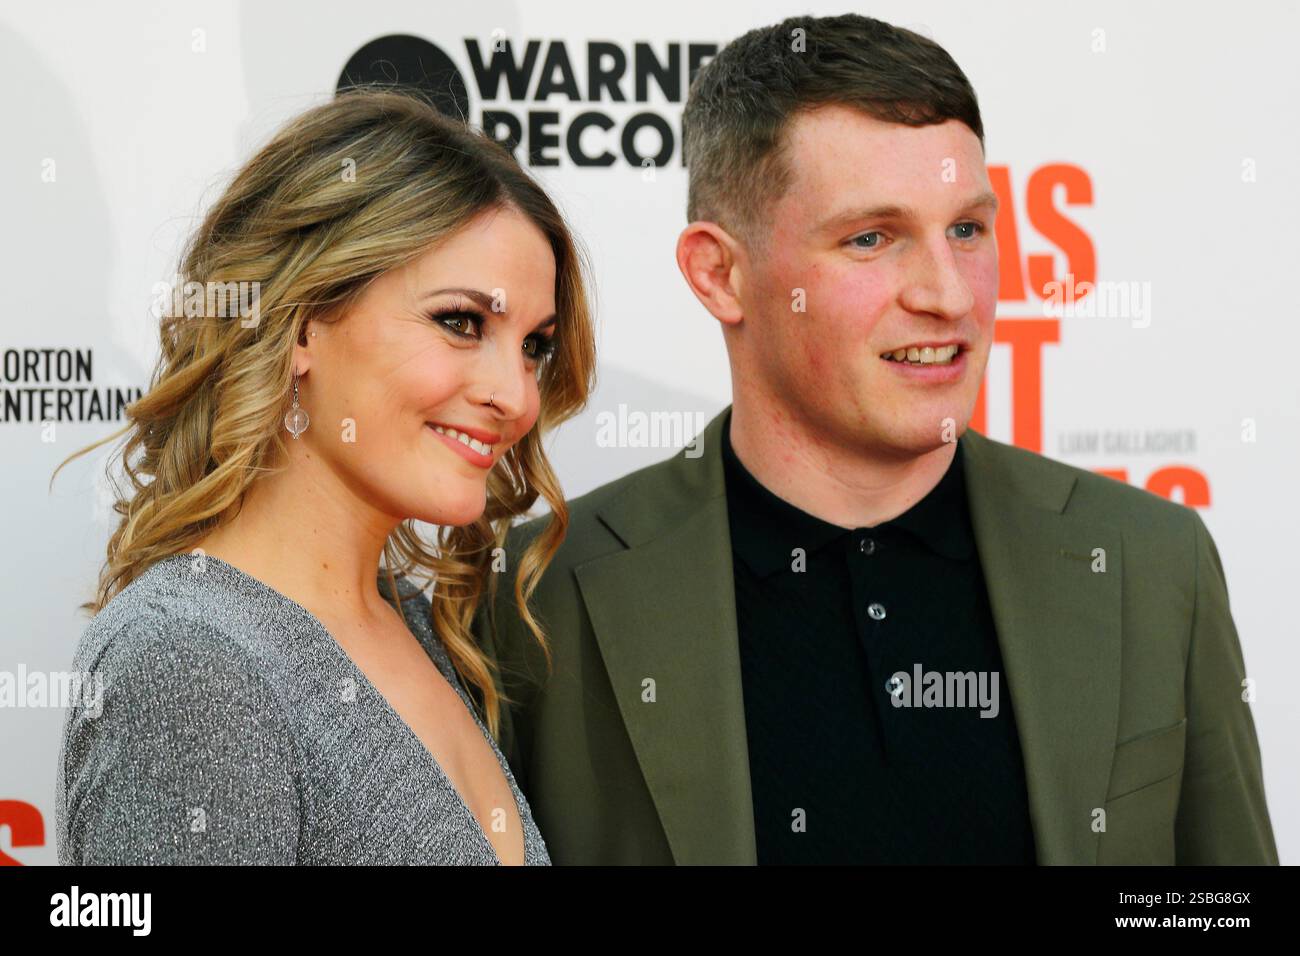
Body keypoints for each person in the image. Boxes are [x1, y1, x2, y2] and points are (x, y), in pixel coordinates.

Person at [477, 14, 1278, 864]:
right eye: (872, 238)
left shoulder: (1151, 561)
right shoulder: (537, 595)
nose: (949, 294)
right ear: (720, 274)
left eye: (967, 229)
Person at [53, 88, 595, 864]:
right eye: (461, 322)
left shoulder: (407, 619)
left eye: (532, 345)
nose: (515, 396)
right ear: (302, 322)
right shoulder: (191, 664)